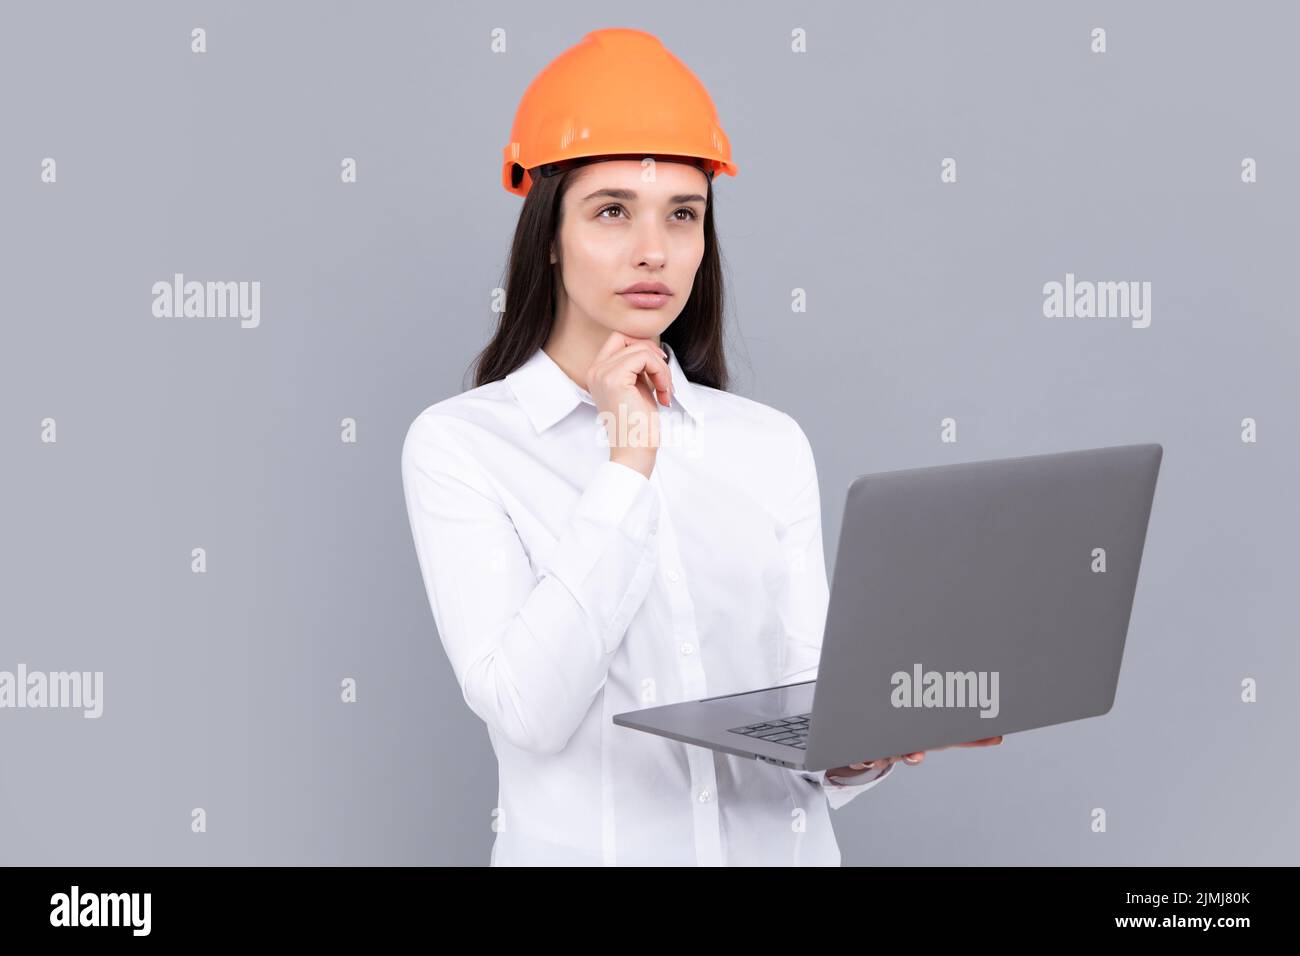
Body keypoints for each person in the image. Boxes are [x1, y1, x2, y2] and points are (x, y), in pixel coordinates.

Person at [401, 27, 1000, 866]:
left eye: (683, 215)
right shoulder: (463, 445)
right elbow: (529, 708)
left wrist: (863, 747)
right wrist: (627, 464)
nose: (655, 250)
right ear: (547, 232)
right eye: (612, 211)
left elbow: (810, 711)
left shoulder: (768, 445)